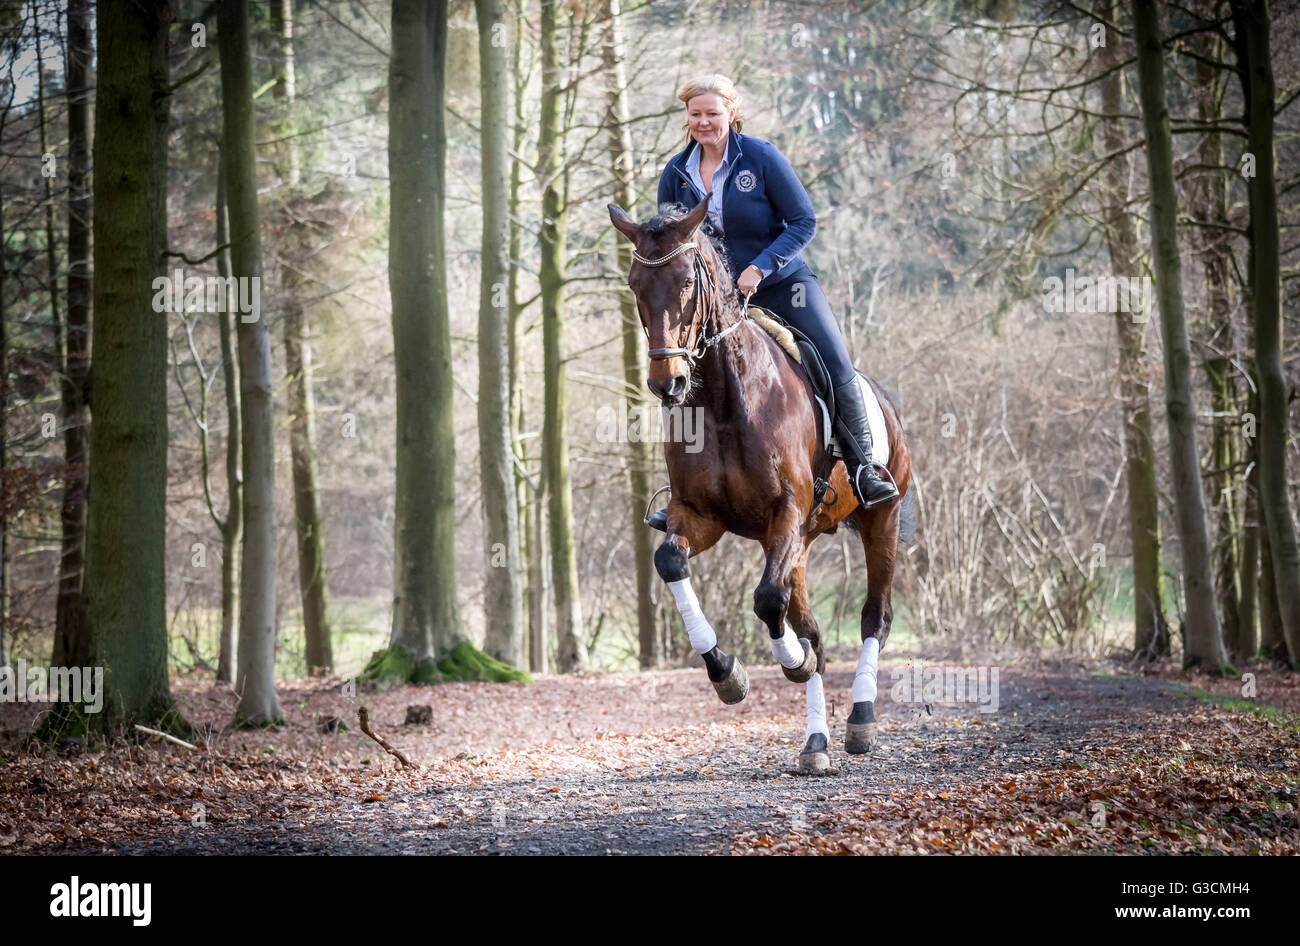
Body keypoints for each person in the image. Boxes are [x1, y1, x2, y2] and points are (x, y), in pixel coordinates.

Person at [645, 74, 897, 530]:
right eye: (696, 114)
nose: (704, 122)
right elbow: (669, 244)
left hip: (783, 284)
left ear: (731, 114)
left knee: (837, 364)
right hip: (715, 303)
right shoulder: (675, 174)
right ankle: (683, 491)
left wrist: (759, 267)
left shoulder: (761, 158)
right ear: (687, 119)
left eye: (712, 113)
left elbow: (803, 221)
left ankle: (864, 469)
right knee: (682, 371)